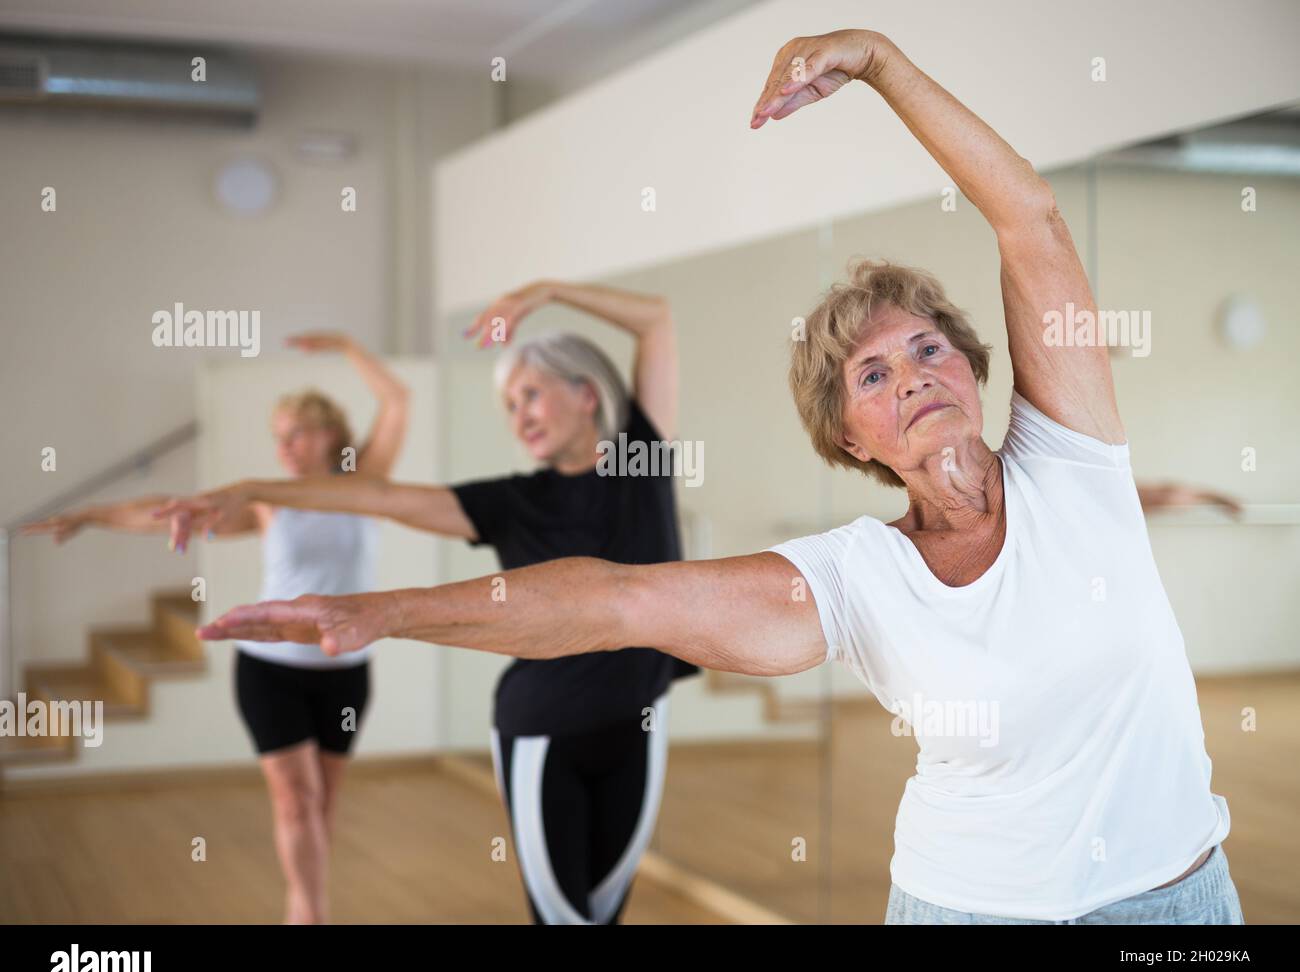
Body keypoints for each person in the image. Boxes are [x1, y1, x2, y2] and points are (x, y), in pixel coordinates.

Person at [193, 28, 1246, 925]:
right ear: (851, 439)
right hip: (969, 904)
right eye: (871, 375)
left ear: (974, 368)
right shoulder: (856, 577)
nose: (912, 378)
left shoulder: (1073, 457)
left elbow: (1031, 224)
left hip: (1180, 903)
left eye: (928, 350)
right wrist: (383, 611)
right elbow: (617, 598)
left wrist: (881, 62)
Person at [155, 280, 699, 925]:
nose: (517, 412)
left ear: (585, 394)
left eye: (529, 393)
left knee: (606, 915)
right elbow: (379, 497)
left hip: (640, 720)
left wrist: (545, 292)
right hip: (542, 730)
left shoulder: (642, 460)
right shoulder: (509, 503)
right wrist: (248, 490)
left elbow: (656, 319)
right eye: (508, 402)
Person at [24, 332, 408, 925]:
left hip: (345, 674)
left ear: (331, 433)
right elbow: (170, 510)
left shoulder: (365, 485)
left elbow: (398, 401)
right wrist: (91, 514)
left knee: (322, 806)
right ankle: (310, 914)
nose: (283, 447)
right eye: (276, 436)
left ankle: (301, 904)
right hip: (269, 671)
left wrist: (346, 345)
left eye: (295, 433)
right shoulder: (264, 501)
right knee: (297, 801)